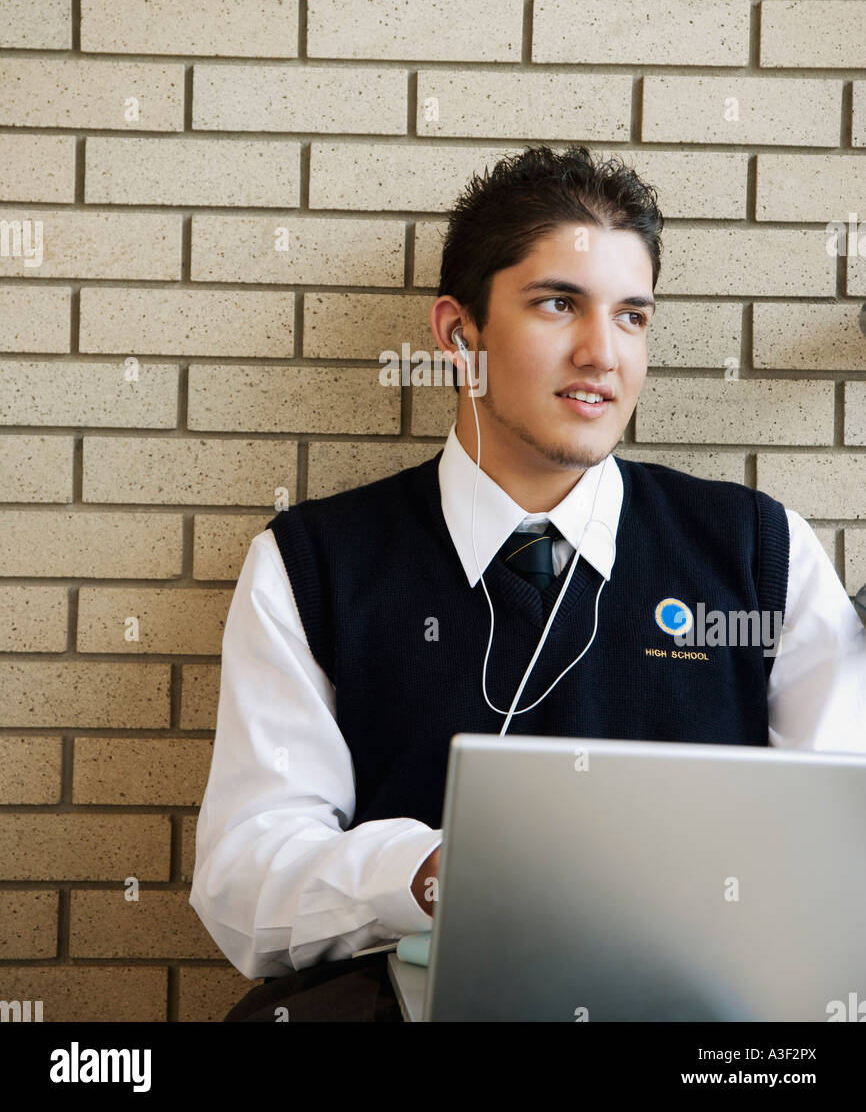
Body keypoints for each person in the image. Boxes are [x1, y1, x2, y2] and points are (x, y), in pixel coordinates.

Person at [189, 144, 866, 1022]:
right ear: (456, 333)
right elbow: (245, 881)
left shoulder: (758, 551)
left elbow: (842, 849)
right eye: (558, 304)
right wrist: (434, 875)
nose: (602, 354)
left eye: (632, 317)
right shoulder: (314, 563)